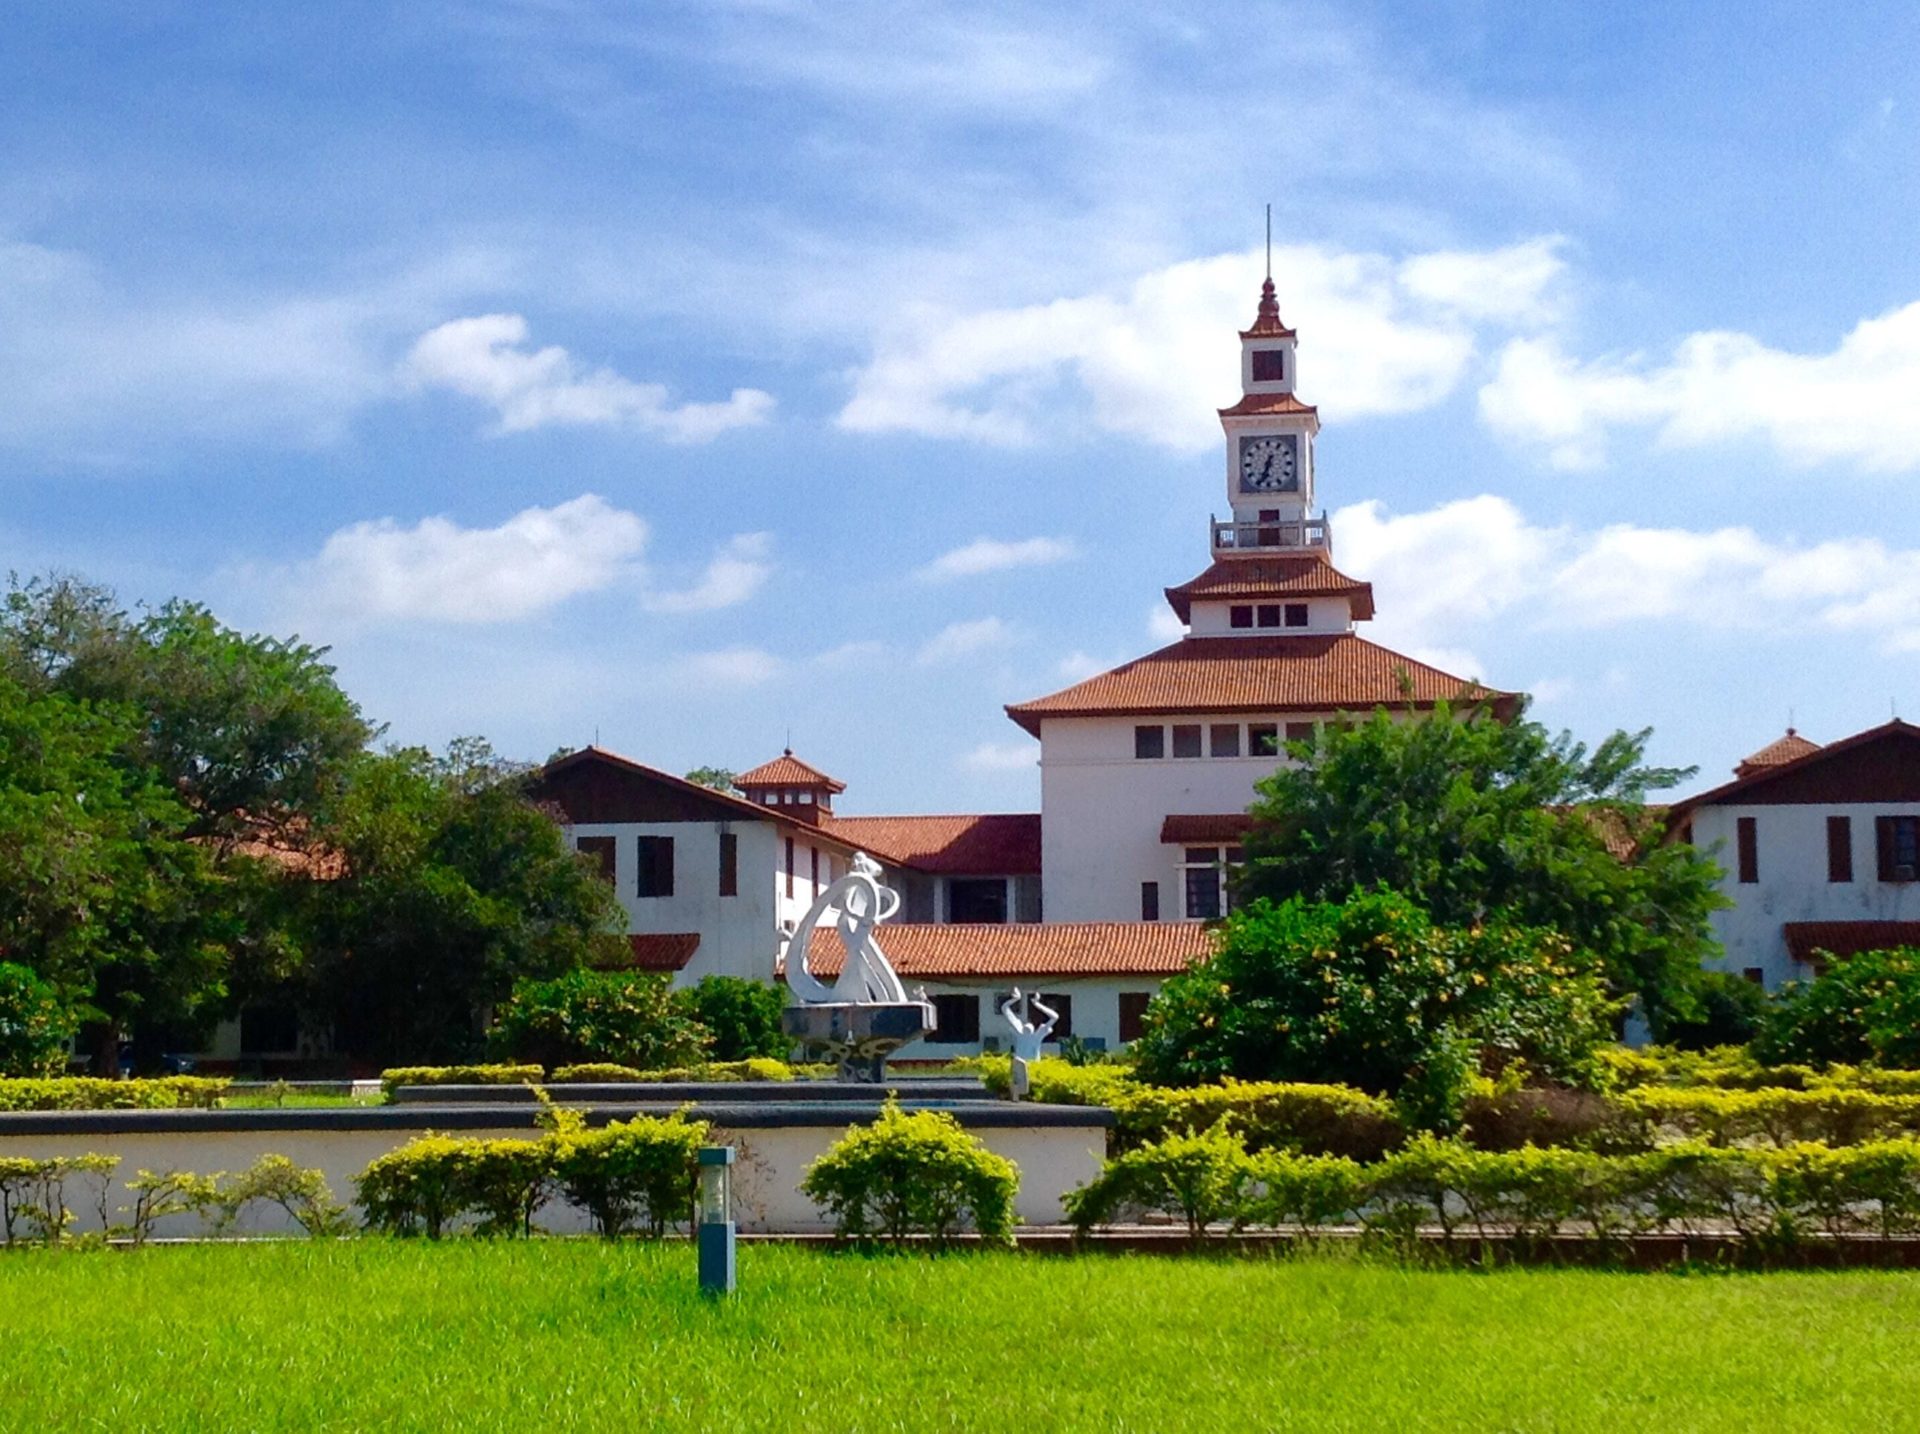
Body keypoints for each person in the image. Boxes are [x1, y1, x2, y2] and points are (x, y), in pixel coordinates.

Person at [1001, 987, 1058, 1100]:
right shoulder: (1020, 1032)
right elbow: (1005, 1008)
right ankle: (1016, 1095)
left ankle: (1025, 1096)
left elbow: (1055, 1017)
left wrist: (1037, 1004)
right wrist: (1015, 999)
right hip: (1020, 1063)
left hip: (1033, 1065)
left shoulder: (1037, 1035)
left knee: (1029, 1085)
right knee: (1018, 1082)